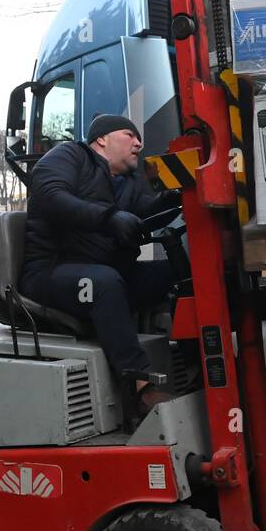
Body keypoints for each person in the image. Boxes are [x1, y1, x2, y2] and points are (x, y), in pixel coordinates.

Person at [19, 114, 189, 417]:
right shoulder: (70, 156)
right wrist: (108, 218)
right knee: (104, 282)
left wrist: (177, 196)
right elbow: (51, 196)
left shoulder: (127, 183)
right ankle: (139, 388)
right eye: (129, 135)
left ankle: (193, 365)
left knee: (179, 272)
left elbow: (145, 213)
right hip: (50, 272)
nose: (139, 143)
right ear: (102, 139)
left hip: (109, 273)